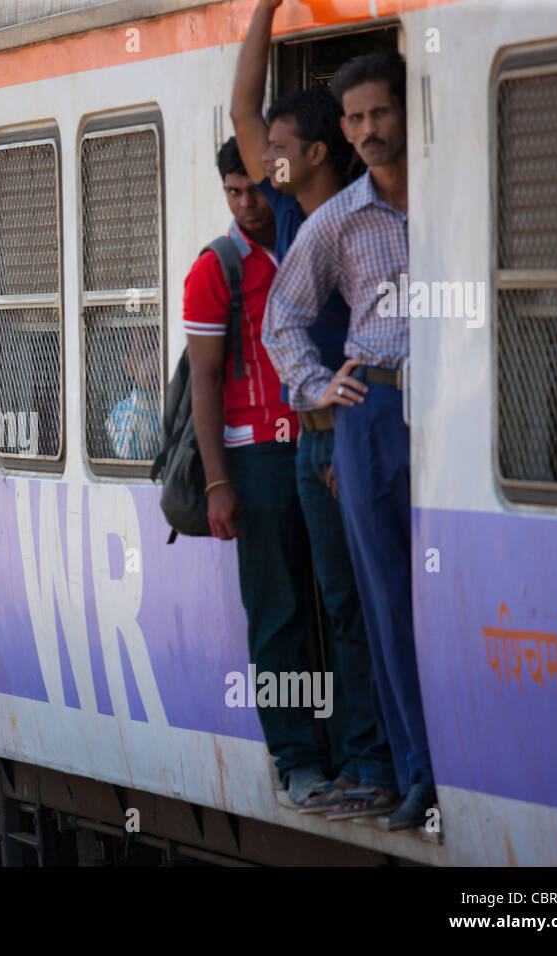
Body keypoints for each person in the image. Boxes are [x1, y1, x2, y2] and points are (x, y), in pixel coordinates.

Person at [232, 0, 397, 819]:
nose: (268, 163)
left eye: (283, 153)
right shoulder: (303, 215)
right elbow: (242, 110)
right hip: (315, 439)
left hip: (346, 438)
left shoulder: (340, 217)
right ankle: (362, 759)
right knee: (337, 602)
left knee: (358, 602)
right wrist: (263, 11)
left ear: (317, 153)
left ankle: (373, 762)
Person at [263, 50, 436, 831]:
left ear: (408, 110)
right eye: (356, 118)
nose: (369, 130)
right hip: (372, 415)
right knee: (387, 601)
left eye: (380, 114)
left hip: (458, 414)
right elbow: (282, 319)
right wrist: (318, 389)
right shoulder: (338, 219)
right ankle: (417, 776)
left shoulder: (450, 194)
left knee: (450, 596)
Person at [186, 138, 329, 806]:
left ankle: (353, 750)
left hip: (322, 445)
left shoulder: (310, 240)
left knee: (337, 603)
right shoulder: (216, 267)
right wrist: (218, 482)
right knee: (278, 614)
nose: (246, 205)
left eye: (255, 191)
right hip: (256, 458)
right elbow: (205, 381)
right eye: (233, 193)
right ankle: (295, 756)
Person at [105, 337, 160, 459]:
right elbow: (130, 453)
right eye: (147, 348)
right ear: (126, 364)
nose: (153, 357)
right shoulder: (118, 414)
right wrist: (144, 376)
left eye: (157, 347)